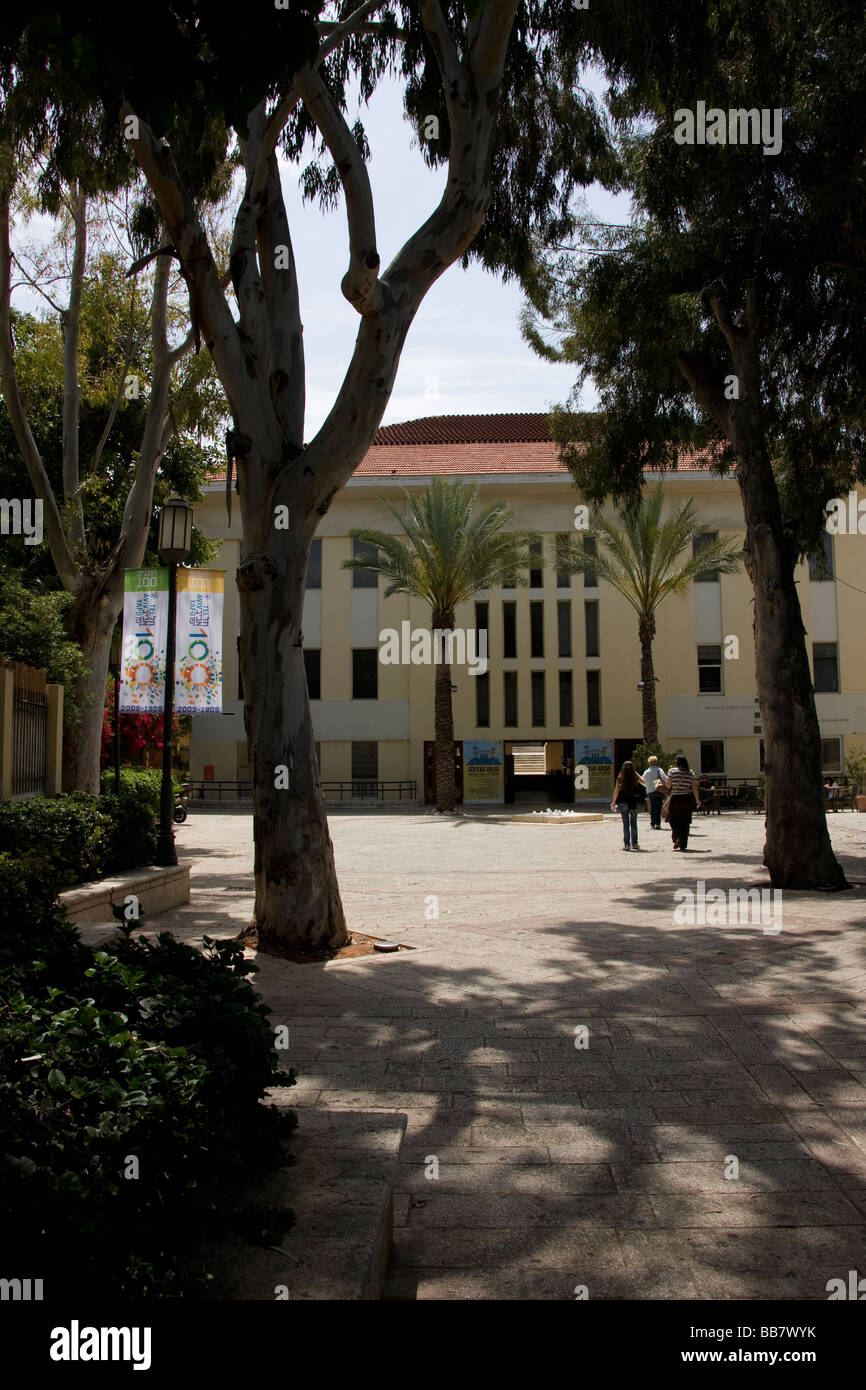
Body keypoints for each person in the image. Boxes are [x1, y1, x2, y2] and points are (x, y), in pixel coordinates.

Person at [665, 754, 701, 850]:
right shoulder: (690, 772)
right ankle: (683, 843)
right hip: (687, 799)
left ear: (676, 762)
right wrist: (697, 800)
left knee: (673, 819)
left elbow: (668, 785)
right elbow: (694, 786)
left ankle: (677, 836)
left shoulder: (672, 771)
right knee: (685, 821)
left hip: (675, 798)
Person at [611, 760, 647, 850]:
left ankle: (627, 844)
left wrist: (614, 801)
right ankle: (635, 843)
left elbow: (616, 790)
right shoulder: (635, 777)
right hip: (633, 802)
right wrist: (636, 773)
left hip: (623, 802)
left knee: (625, 824)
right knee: (634, 823)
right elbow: (643, 781)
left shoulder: (620, 778)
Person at [642, 755, 669, 829]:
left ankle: (652, 823)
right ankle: (657, 823)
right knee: (658, 807)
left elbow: (642, 781)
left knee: (653, 807)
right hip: (659, 790)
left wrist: (647, 786)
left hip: (650, 791)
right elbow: (664, 778)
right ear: (656, 762)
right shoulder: (659, 770)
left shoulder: (646, 771)